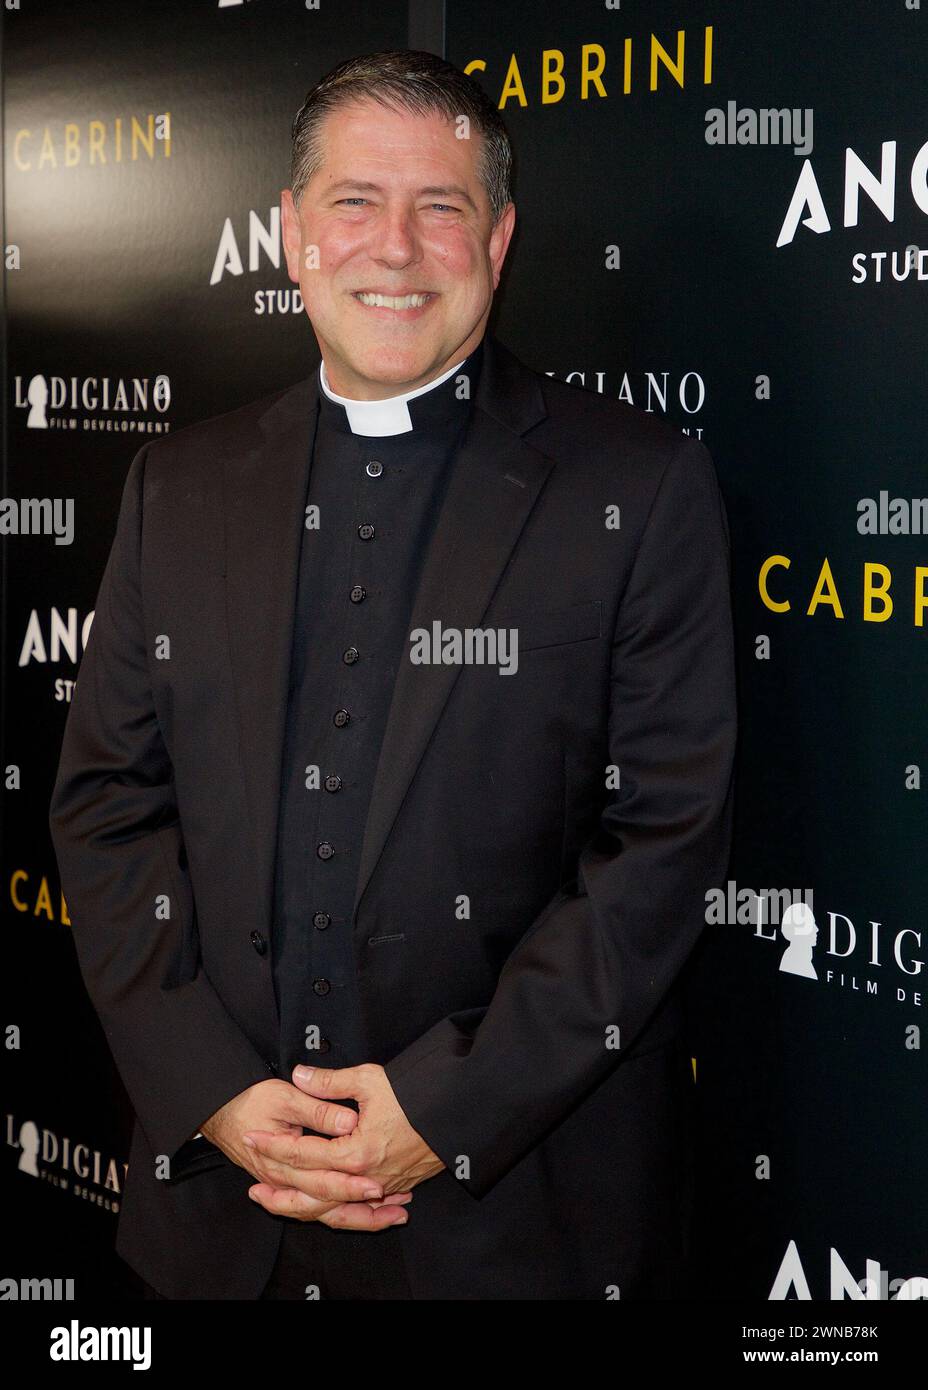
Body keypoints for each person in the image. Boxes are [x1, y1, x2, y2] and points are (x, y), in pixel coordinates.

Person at [49, 49, 737, 1301]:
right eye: (355, 203)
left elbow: (665, 842)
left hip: (519, 1224)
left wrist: (449, 1105)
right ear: (290, 235)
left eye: (444, 207)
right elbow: (106, 808)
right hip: (221, 1220)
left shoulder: (635, 489)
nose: (397, 249)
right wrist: (208, 1089)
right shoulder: (177, 486)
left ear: (502, 236)